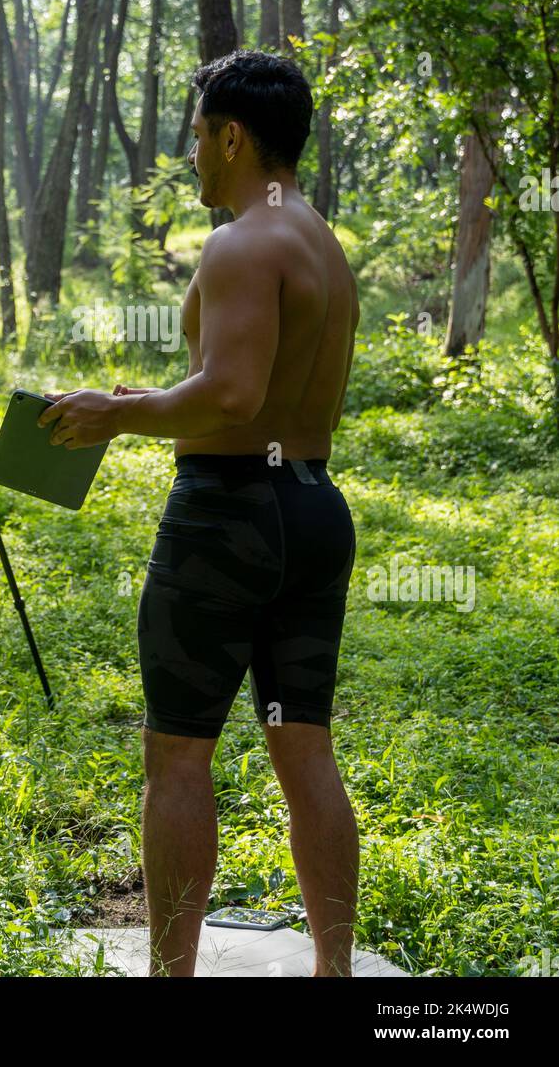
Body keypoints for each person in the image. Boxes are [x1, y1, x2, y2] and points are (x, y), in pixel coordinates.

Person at [38, 49, 360, 978]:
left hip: (227, 519)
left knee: (177, 759)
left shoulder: (237, 243)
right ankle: (334, 973)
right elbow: (257, 396)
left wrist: (117, 413)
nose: (190, 153)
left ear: (232, 135)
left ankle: (171, 979)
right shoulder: (318, 241)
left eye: (195, 134)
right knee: (306, 751)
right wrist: (157, 397)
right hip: (310, 507)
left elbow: (228, 397)